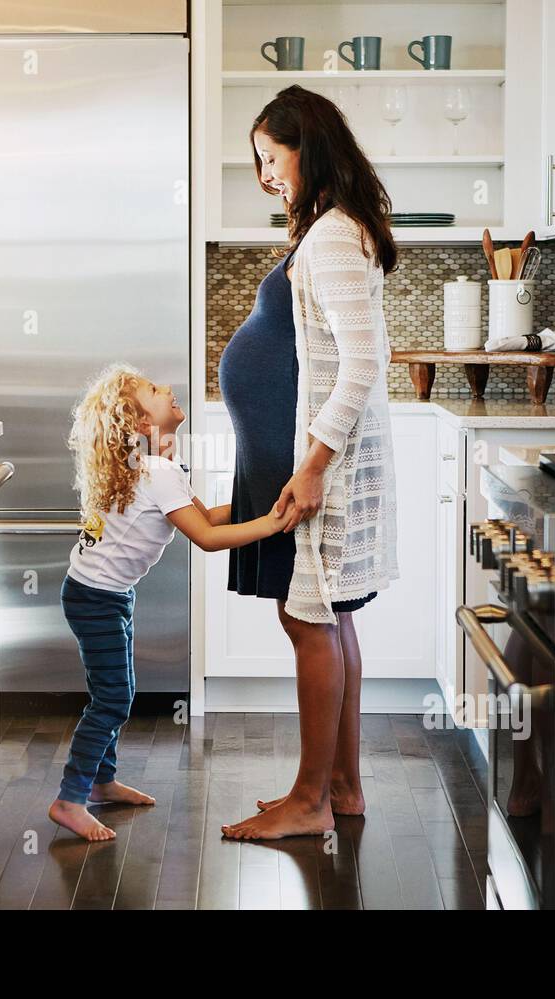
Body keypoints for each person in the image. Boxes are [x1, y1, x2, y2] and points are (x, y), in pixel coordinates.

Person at [218, 85, 400, 840]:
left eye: (272, 156)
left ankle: (309, 798)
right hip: (296, 453)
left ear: (308, 145)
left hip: (309, 461)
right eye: (257, 161)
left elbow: (363, 361)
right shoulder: (331, 228)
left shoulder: (329, 237)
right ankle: (342, 787)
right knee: (326, 619)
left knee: (308, 619)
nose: (264, 174)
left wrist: (316, 462)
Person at [49, 363, 291, 841]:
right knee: (113, 698)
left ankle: (101, 782)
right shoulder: (156, 472)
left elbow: (206, 515)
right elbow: (206, 537)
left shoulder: (152, 470)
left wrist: (267, 506)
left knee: (118, 689)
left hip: (99, 593)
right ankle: (69, 799)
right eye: (156, 390)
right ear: (140, 422)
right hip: (97, 597)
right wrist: (272, 524)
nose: (169, 390)